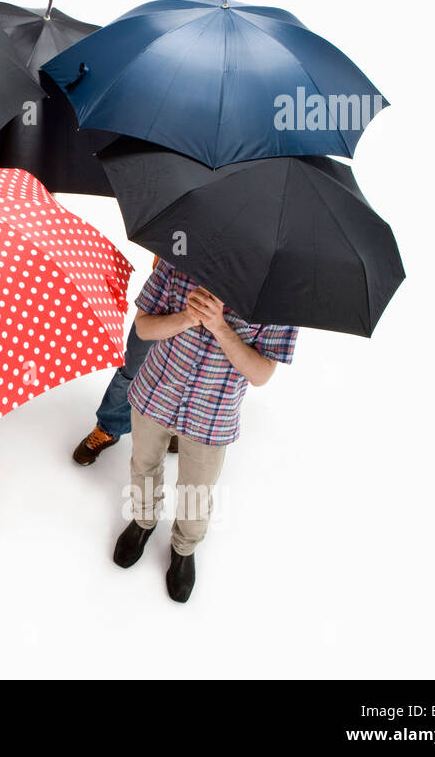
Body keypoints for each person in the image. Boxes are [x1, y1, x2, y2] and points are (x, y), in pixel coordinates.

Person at [112, 260, 297, 603]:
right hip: (155, 393)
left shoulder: (280, 297)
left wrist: (219, 326)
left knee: (197, 491)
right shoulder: (178, 260)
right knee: (143, 466)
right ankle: (143, 521)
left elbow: (260, 374)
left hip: (211, 415)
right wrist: (186, 318)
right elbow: (143, 328)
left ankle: (183, 549)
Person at [73, 257, 175, 463]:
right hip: (165, 293)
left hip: (216, 308)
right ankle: (109, 427)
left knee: (187, 375)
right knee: (133, 368)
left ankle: (175, 428)